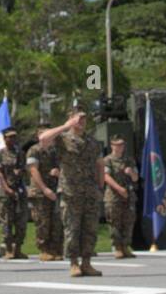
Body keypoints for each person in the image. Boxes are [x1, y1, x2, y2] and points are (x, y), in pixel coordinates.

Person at [40, 107, 104, 277]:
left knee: (89, 229)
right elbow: (43, 139)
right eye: (78, 118)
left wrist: (100, 186)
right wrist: (64, 126)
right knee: (72, 229)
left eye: (84, 118)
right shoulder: (63, 139)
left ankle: (87, 262)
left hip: (90, 191)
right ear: (71, 119)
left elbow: (99, 164)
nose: (82, 121)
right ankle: (74, 263)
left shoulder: (92, 142)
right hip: (70, 192)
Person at [26, 126, 63, 261]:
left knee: (56, 221)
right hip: (40, 192)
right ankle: (44, 249)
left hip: (55, 190)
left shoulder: (55, 151)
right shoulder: (34, 150)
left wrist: (58, 172)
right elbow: (33, 171)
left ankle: (55, 249)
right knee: (42, 222)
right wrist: (44, 189)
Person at [0, 128, 28, 259]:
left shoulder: (20, 153)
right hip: (4, 192)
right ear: (4, 138)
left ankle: (18, 248)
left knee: (21, 221)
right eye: (10, 137)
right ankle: (8, 248)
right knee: (6, 221)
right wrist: (6, 188)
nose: (13, 139)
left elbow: (26, 169)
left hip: (19, 190)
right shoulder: (0, 153)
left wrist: (20, 172)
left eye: (14, 137)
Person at [102, 134, 138, 258]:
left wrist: (131, 172)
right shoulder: (107, 160)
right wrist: (119, 188)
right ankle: (117, 247)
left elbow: (136, 178)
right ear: (112, 146)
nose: (120, 147)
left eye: (122, 145)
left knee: (128, 221)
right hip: (113, 196)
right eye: (117, 145)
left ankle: (125, 246)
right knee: (114, 221)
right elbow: (106, 176)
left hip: (128, 195)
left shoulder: (129, 160)